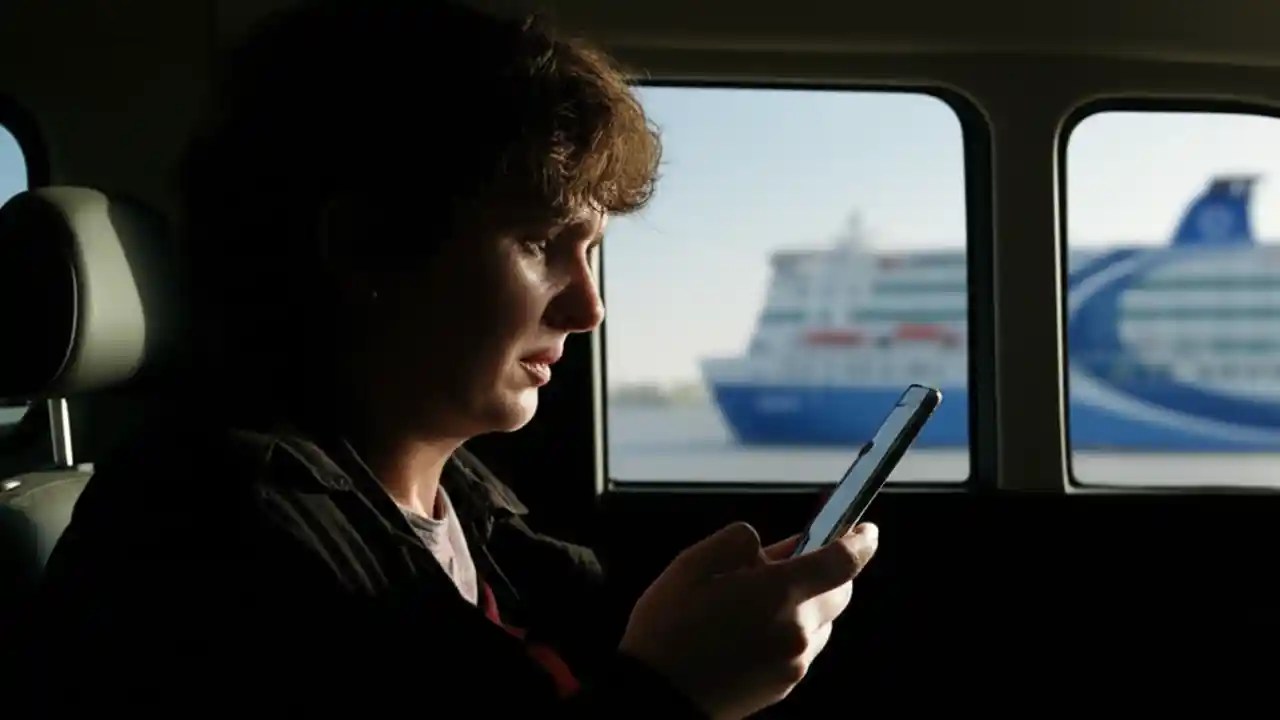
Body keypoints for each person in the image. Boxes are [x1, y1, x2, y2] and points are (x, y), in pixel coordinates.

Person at [20, 1, 880, 716]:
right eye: (544, 243)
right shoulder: (208, 546)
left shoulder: (461, 503)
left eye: (591, 253)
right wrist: (670, 693)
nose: (589, 307)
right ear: (365, 247)